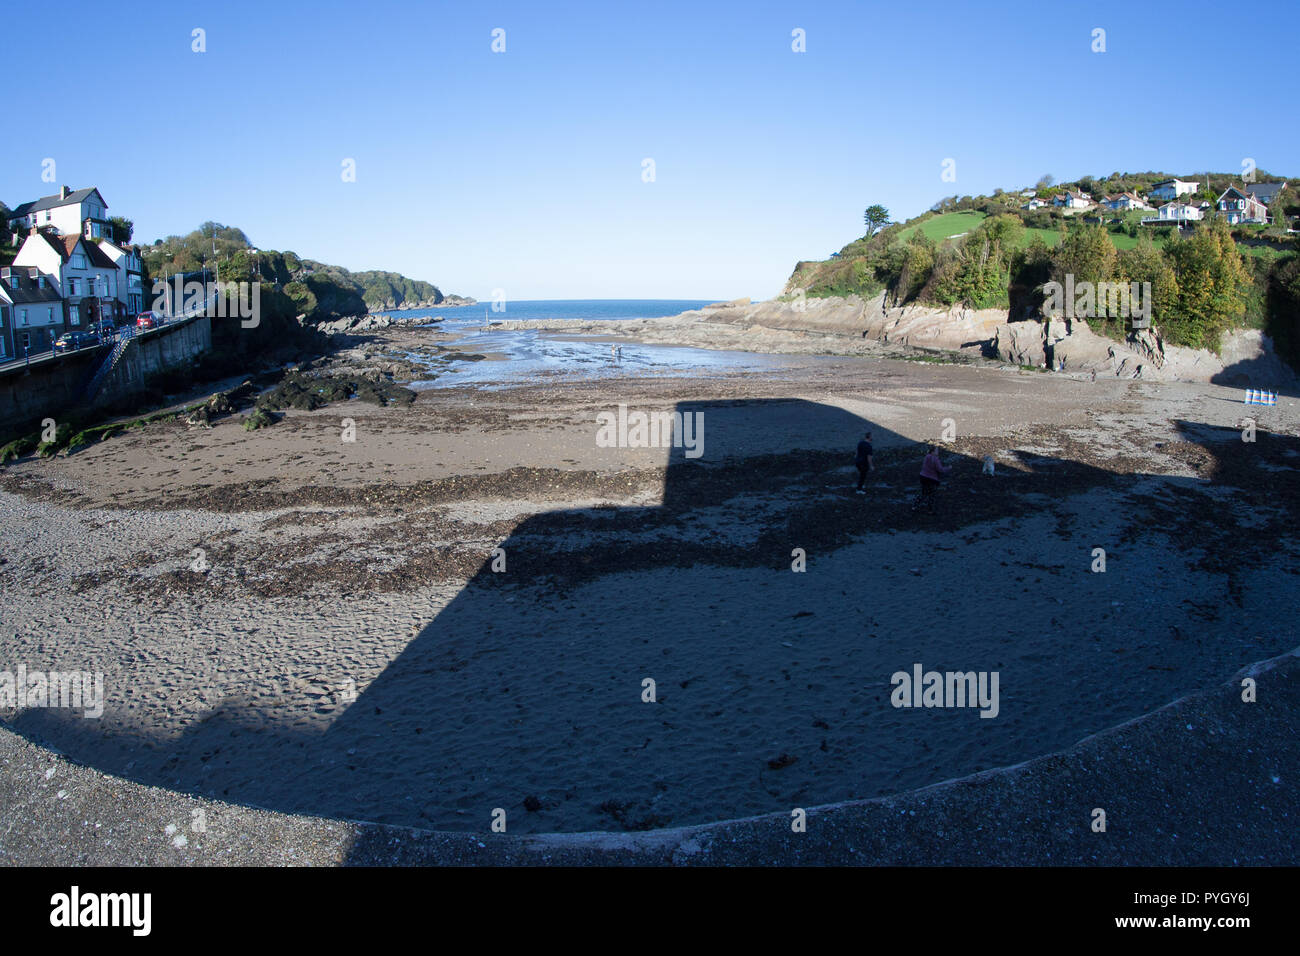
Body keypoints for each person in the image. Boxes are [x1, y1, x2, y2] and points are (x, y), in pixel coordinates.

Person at [914, 444, 950, 512]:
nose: (938, 452)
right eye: (937, 450)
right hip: (931, 479)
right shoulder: (935, 459)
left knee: (923, 493)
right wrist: (948, 468)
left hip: (923, 477)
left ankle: (915, 506)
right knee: (932, 495)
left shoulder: (927, 457)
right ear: (933, 452)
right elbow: (940, 470)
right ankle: (930, 510)